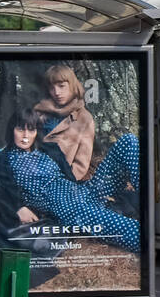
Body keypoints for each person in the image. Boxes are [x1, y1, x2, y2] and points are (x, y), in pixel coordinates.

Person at [1, 106, 140, 254]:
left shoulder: (47, 149)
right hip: (66, 209)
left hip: (86, 190)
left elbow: (70, 177)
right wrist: (19, 208)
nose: (25, 136)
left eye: (31, 130)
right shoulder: (3, 161)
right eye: (20, 129)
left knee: (128, 141)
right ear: (12, 130)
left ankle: (149, 203)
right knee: (133, 231)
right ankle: (151, 237)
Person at [35, 63, 140, 217]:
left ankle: (145, 198)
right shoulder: (37, 113)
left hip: (70, 187)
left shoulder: (83, 118)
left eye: (62, 86)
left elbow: (80, 166)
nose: (56, 92)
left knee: (129, 141)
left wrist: (64, 188)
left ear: (72, 86)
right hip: (38, 186)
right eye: (52, 87)